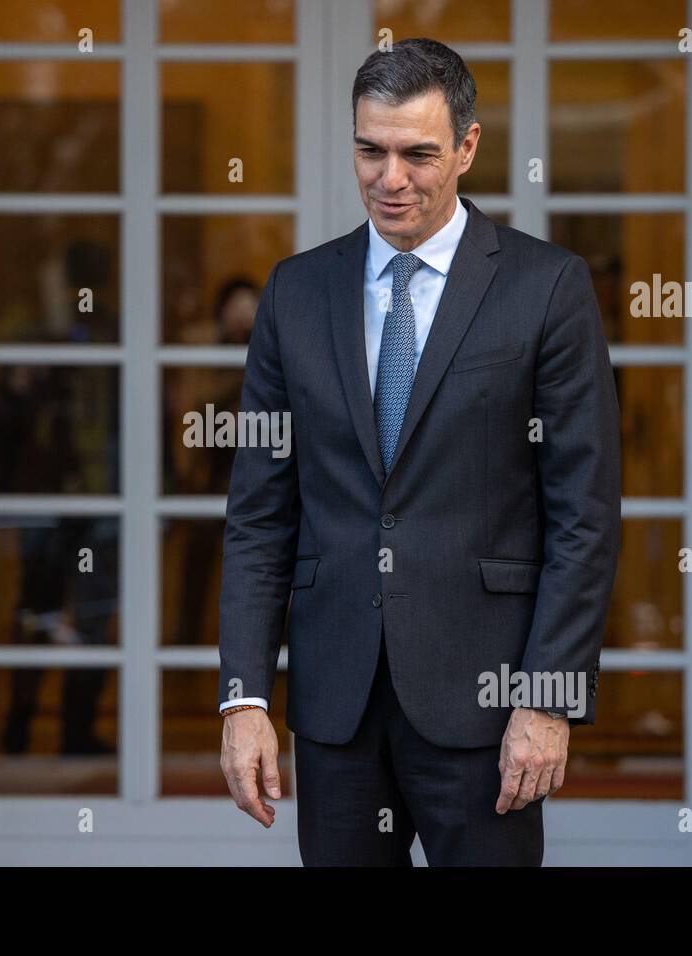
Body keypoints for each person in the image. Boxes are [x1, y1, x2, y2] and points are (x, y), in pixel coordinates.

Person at [217, 39, 621, 866]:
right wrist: (244, 696)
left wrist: (549, 700)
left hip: (490, 707)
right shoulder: (296, 292)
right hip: (337, 709)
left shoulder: (546, 288)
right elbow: (259, 515)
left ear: (468, 147)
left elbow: (583, 516)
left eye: (417, 153)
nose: (390, 178)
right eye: (371, 149)